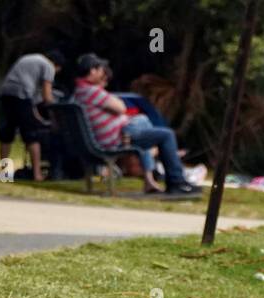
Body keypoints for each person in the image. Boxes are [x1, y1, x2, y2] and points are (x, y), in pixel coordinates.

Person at [71, 53, 198, 195]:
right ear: (92, 71)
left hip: (107, 138)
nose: (102, 73)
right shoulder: (92, 91)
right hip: (116, 139)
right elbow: (121, 107)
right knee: (166, 134)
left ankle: (153, 179)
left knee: (143, 122)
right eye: (100, 69)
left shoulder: (79, 92)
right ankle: (176, 182)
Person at [0, 50, 64, 182]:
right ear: (57, 66)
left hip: (6, 93)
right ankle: (37, 174)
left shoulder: (31, 58)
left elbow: (32, 103)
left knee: (7, 134)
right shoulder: (49, 66)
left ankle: (5, 174)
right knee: (32, 135)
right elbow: (47, 96)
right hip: (21, 94)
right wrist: (53, 115)